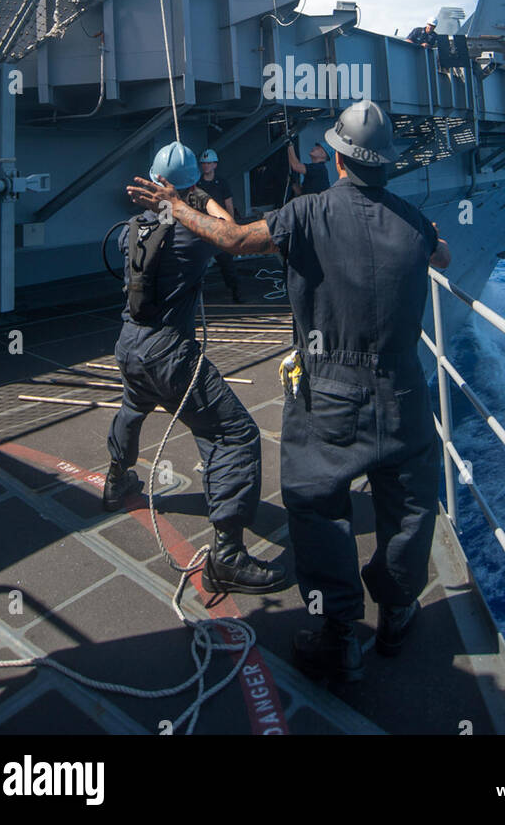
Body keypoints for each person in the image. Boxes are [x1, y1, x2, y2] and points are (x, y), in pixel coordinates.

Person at [127, 101, 451, 683]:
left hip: (330, 388)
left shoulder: (306, 212)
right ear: (387, 164)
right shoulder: (415, 221)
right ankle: (398, 612)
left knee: (317, 505)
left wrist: (175, 205)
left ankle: (337, 634)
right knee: (407, 509)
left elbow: (230, 239)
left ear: (342, 160)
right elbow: (442, 253)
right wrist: (425, 232)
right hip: (403, 389)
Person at [108, 140, 286, 595]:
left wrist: (173, 198)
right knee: (233, 434)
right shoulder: (192, 234)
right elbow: (233, 234)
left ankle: (117, 477)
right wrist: (198, 198)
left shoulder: (133, 227)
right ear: (188, 186)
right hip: (168, 352)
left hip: (129, 344)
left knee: (133, 405)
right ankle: (226, 555)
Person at [195, 149, 242, 303]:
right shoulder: (197, 184)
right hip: (203, 229)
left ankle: (235, 291)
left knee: (227, 263)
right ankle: (195, 296)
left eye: (209, 163)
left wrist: (231, 226)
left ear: (215, 165)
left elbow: (229, 204)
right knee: (198, 265)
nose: (206, 166)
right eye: (203, 163)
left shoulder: (221, 183)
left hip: (220, 228)